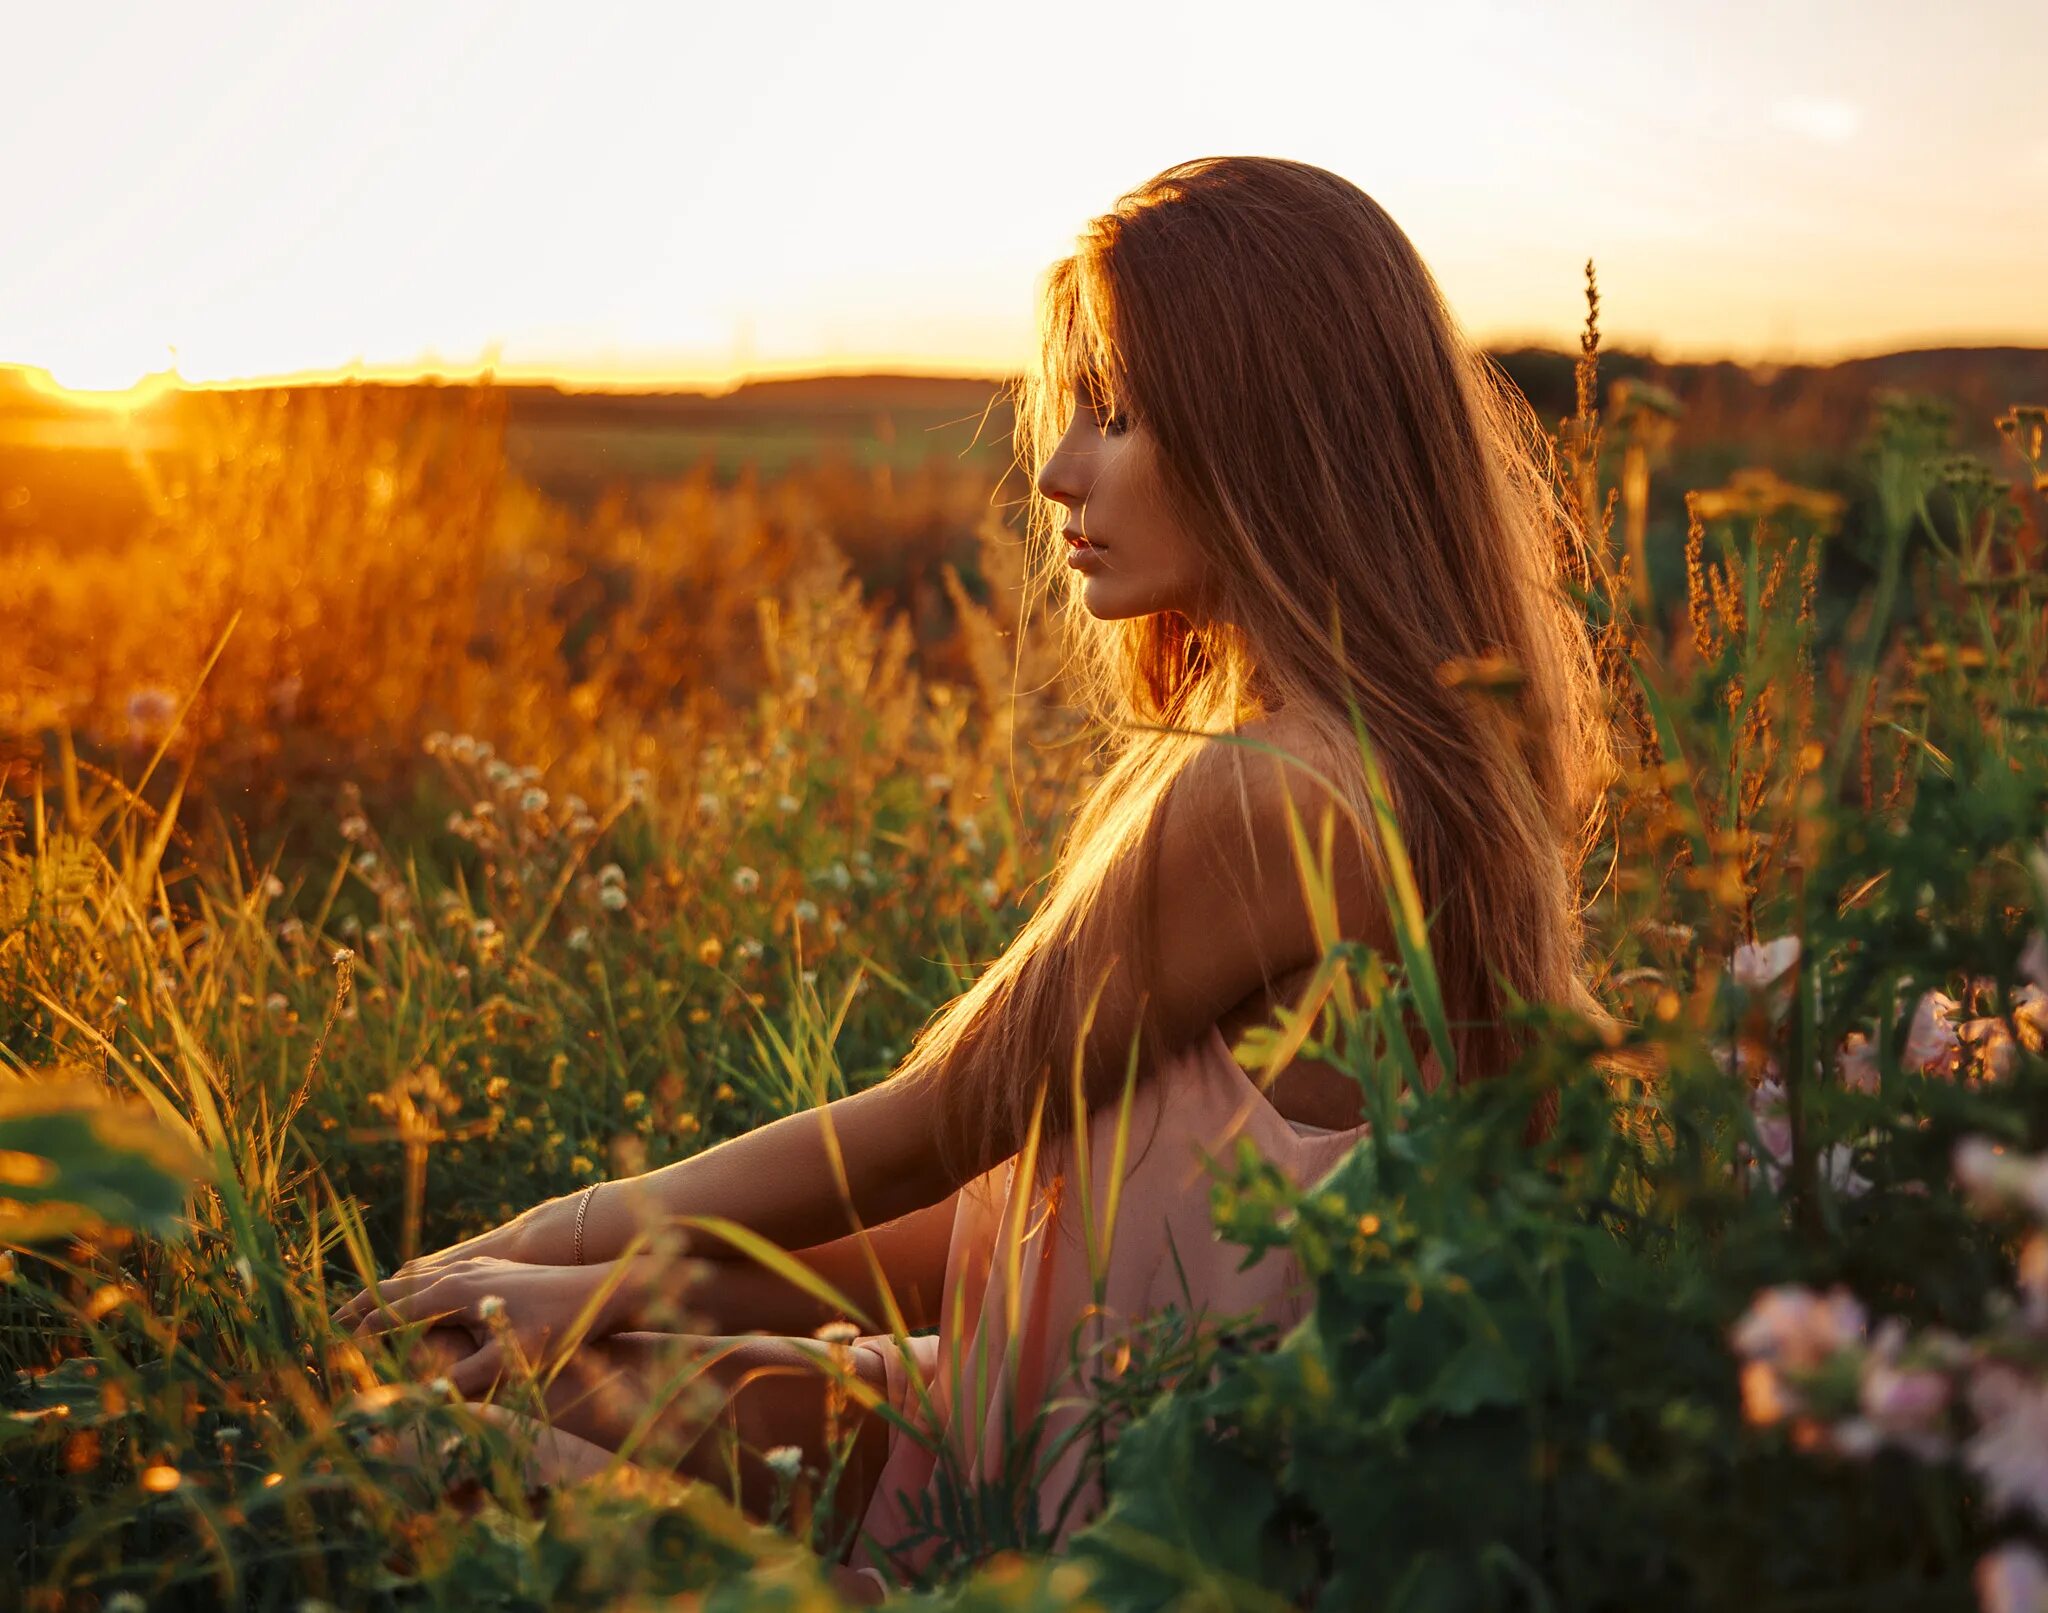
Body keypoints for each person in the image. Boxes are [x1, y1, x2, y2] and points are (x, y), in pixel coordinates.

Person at [332, 154, 1615, 1601]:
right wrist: (596, 1286)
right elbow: (998, 1228)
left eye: (1118, 413)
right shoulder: (1414, 759)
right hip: (1002, 1412)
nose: (1058, 468)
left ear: (1276, 433)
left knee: (390, 1427)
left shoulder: (1278, 795)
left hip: (1087, 1539)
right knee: (464, 1354)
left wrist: (571, 1242)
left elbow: (943, 1122)